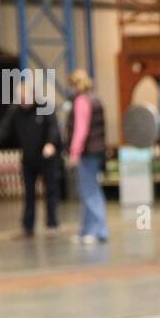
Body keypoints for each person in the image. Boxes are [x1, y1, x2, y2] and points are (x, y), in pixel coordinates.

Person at [0, 83, 62, 238]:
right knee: (29, 193)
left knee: (51, 191)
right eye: (19, 99)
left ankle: (52, 223)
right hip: (28, 158)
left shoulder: (45, 107)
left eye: (24, 98)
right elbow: (5, 127)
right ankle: (28, 225)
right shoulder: (16, 110)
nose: (22, 102)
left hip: (47, 158)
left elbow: (54, 128)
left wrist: (50, 144)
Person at [65, 69, 109, 244]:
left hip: (87, 153)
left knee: (90, 192)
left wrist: (75, 152)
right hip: (97, 151)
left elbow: (80, 130)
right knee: (87, 190)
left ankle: (99, 230)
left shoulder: (81, 101)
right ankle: (86, 230)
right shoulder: (95, 99)